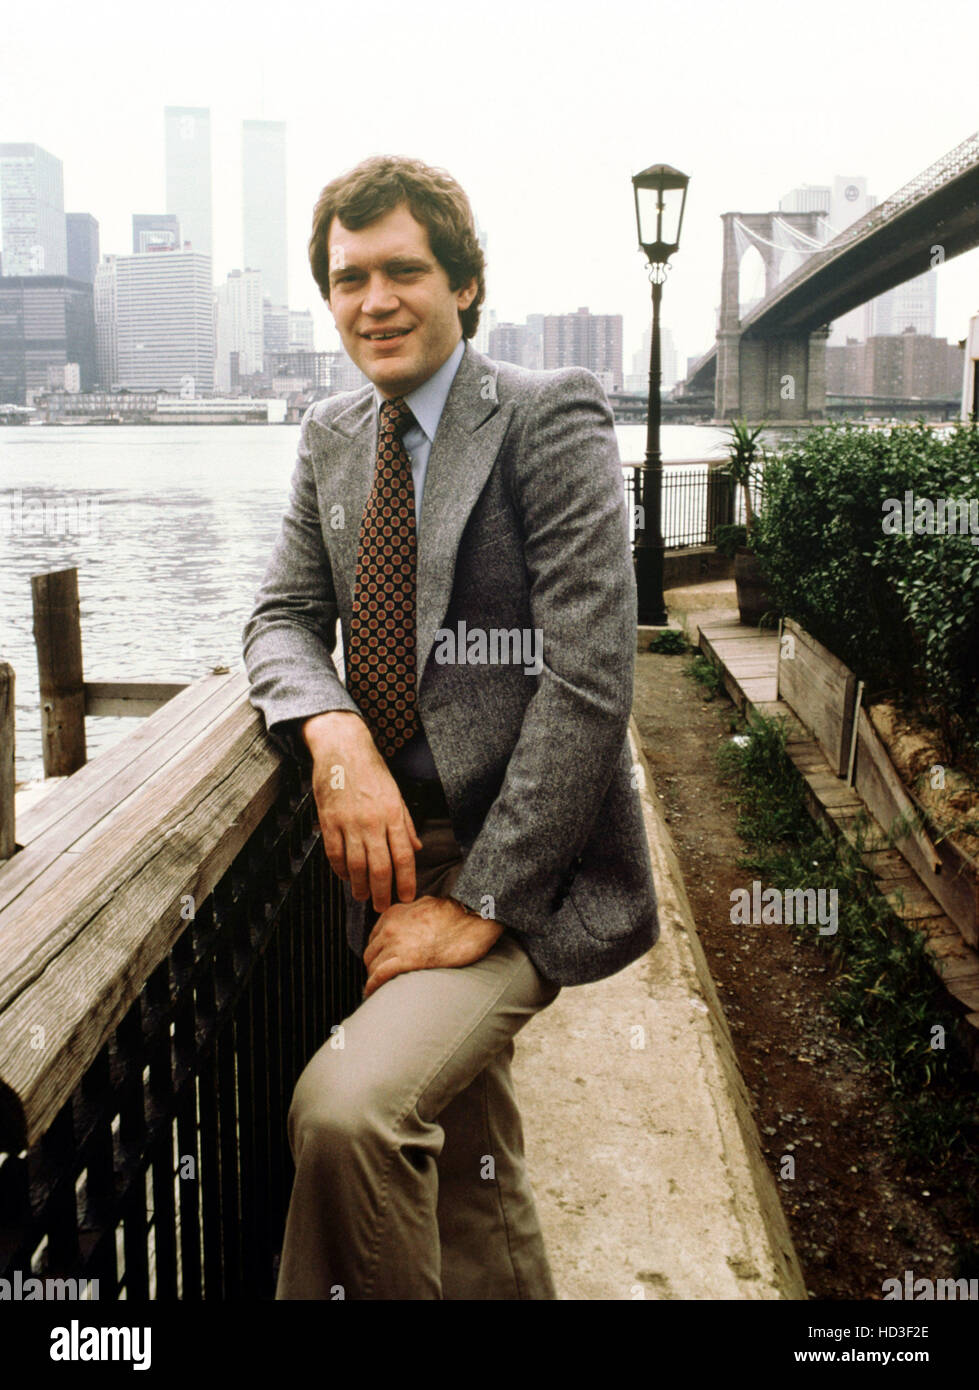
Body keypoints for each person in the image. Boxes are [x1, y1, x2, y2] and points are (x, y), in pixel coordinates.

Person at [241, 154, 659, 1300]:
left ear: (464, 283)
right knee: (471, 1177)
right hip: (380, 874)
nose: (372, 301)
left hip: (521, 869)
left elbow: (587, 684)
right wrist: (333, 732)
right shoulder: (331, 433)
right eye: (346, 278)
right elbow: (280, 616)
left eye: (402, 271)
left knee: (348, 1111)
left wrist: (477, 904)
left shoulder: (546, 414)